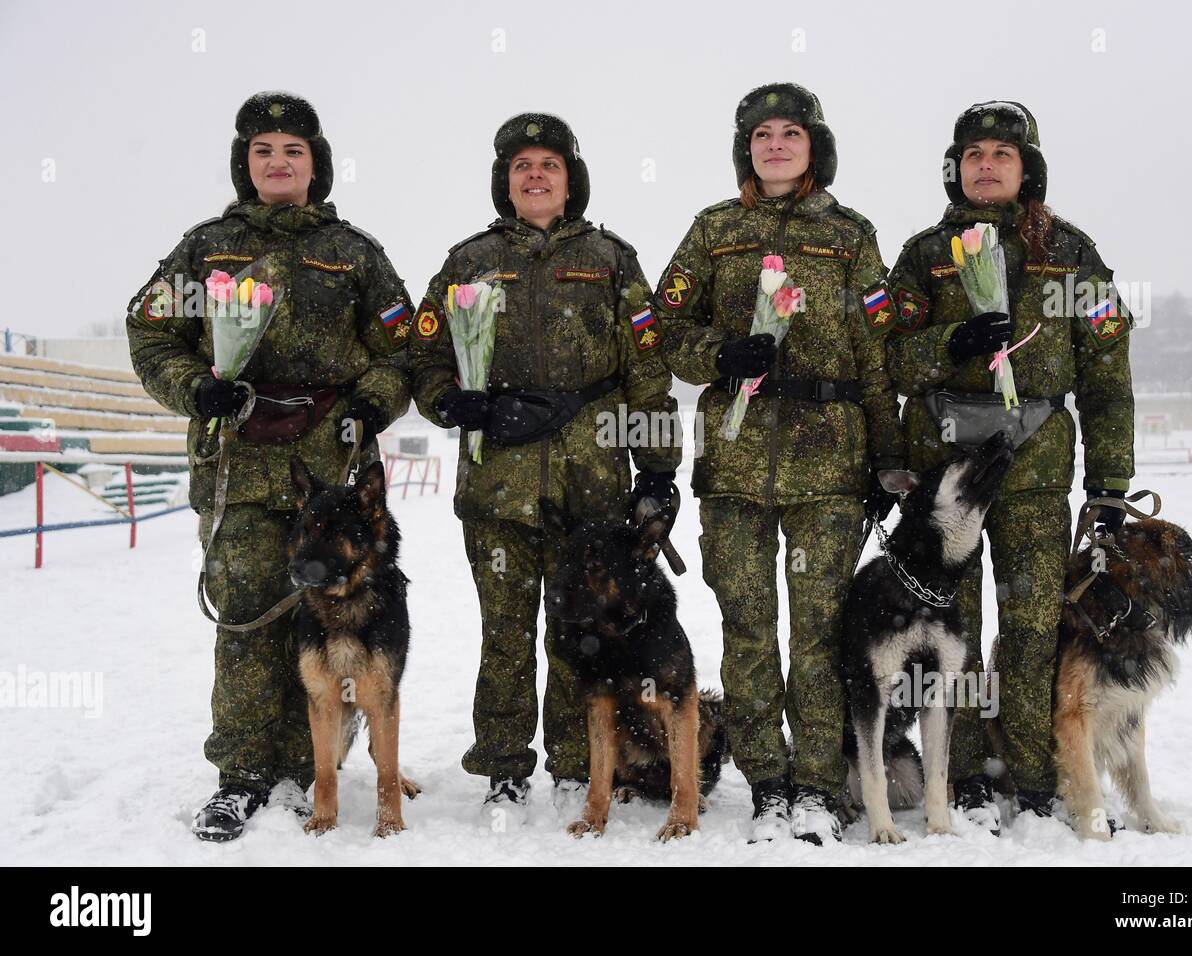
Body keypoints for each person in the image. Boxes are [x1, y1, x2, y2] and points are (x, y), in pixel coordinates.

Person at [126, 91, 413, 841]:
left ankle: (304, 768)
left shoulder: (354, 253)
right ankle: (243, 775)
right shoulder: (206, 248)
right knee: (249, 619)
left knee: (328, 626)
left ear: (316, 166)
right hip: (240, 464)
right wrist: (196, 386)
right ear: (244, 163)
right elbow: (150, 331)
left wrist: (371, 405)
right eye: (263, 151)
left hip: (332, 465)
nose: (278, 162)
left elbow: (403, 348)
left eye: (294, 150)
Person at [405, 113, 682, 821]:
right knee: (503, 632)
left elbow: (646, 370)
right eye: (522, 165)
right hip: (498, 482)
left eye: (549, 165)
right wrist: (462, 406)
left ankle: (571, 763)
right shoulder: (468, 261)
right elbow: (426, 358)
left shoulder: (612, 259)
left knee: (580, 634)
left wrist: (656, 469)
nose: (535, 176)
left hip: (591, 487)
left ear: (570, 180)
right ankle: (502, 767)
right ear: (505, 180)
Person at [652, 83, 905, 845]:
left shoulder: (851, 234)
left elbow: (879, 351)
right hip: (733, 466)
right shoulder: (715, 230)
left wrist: (888, 456)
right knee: (748, 627)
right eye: (761, 134)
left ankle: (819, 786)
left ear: (814, 146)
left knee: (821, 632)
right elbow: (663, 325)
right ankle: (767, 781)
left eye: (789, 132)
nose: (774, 145)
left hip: (829, 464)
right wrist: (716, 356)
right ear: (746, 149)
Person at [885, 100, 1134, 832]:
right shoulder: (925, 253)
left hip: (1034, 475)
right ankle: (958, 776)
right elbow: (889, 356)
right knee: (951, 634)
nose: (985, 165)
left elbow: (1107, 372)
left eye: (1002, 153)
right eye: (973, 155)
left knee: (1031, 631)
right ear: (954, 169)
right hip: (944, 478)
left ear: (1027, 168)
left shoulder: (1071, 254)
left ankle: (1028, 778)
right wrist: (950, 345)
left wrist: (1111, 481)